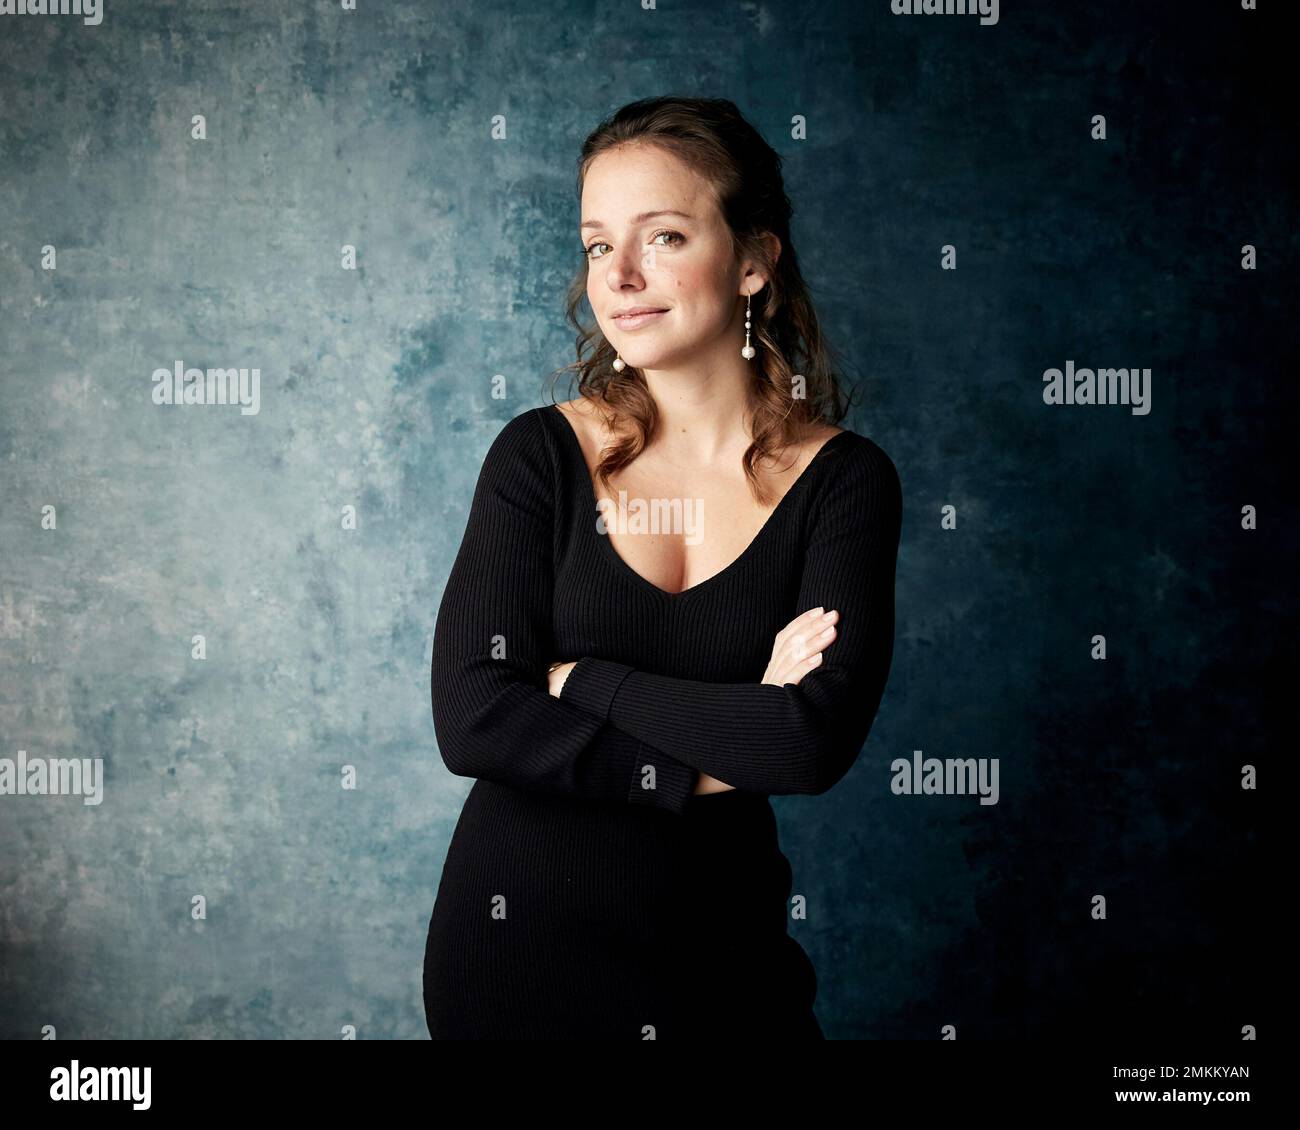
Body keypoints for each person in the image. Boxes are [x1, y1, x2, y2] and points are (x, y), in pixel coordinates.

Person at [424, 95, 902, 1039]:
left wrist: (577, 681)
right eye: (599, 245)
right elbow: (474, 715)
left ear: (755, 262)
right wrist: (722, 744)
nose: (623, 276)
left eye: (667, 236)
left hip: (721, 962)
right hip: (518, 950)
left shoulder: (847, 482)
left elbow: (807, 745)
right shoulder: (539, 456)